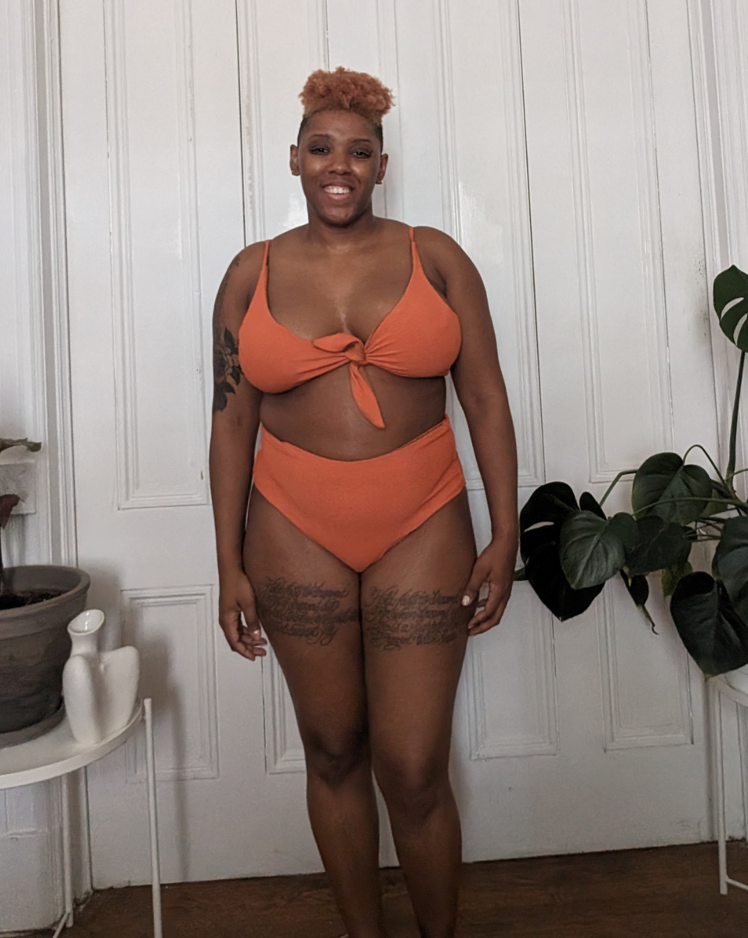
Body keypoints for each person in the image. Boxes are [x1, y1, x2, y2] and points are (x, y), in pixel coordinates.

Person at [209, 66, 517, 938]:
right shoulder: (250, 273)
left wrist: (505, 533)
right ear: (294, 160)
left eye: (357, 151)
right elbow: (230, 424)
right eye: (321, 149)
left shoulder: (436, 257)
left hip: (423, 519)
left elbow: (485, 399)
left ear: (382, 165)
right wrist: (227, 562)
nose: (338, 166)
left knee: (413, 767)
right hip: (291, 526)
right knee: (334, 750)